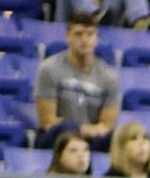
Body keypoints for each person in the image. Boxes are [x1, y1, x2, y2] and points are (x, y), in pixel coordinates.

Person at [33, 12, 121, 151]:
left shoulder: (109, 76)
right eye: (78, 34)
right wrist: (82, 129)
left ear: (97, 38)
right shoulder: (49, 69)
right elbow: (47, 122)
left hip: (91, 142)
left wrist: (86, 132)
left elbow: (107, 126)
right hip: (57, 140)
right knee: (67, 127)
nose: (85, 40)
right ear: (68, 37)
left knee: (122, 137)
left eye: (90, 34)